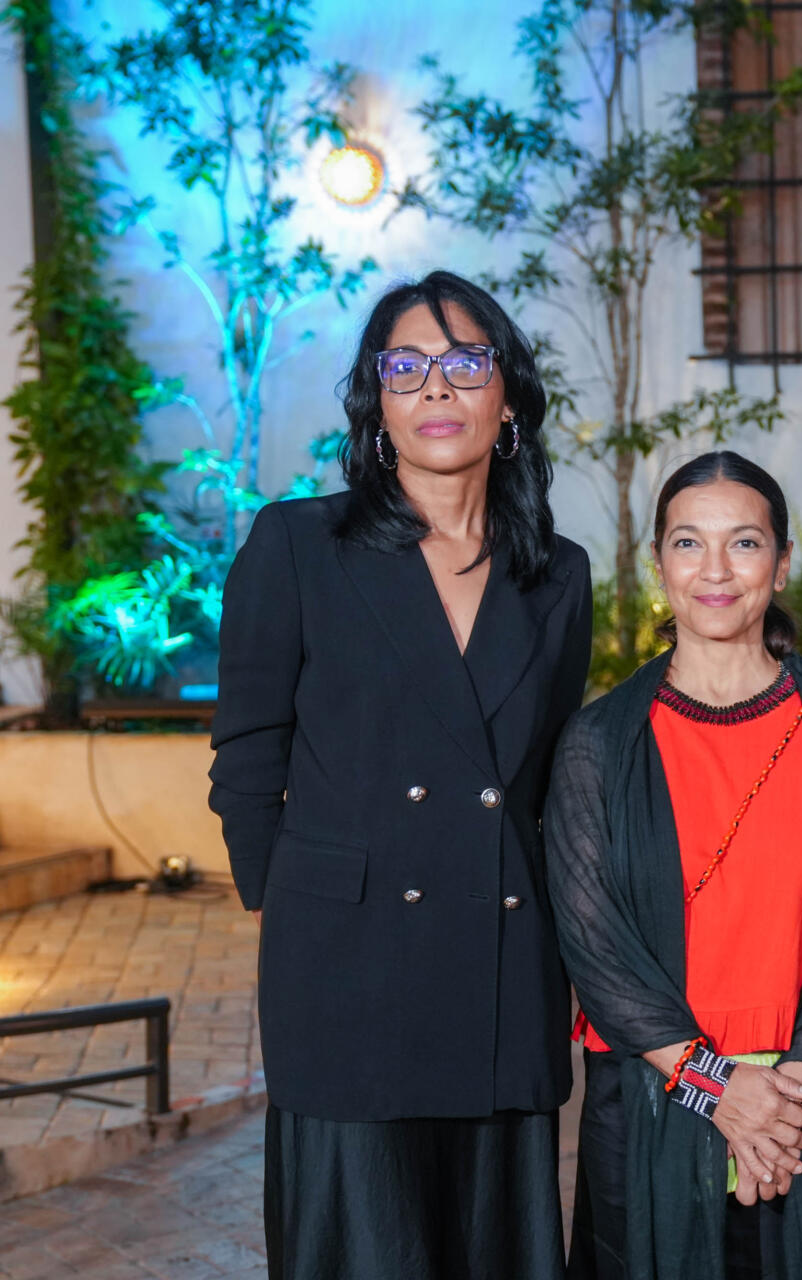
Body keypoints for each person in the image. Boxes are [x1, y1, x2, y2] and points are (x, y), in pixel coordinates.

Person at [208, 270, 593, 1278]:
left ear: (506, 396)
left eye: (465, 363)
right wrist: (292, 899)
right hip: (347, 967)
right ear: (376, 400)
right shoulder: (300, 545)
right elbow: (249, 753)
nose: (436, 388)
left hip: (503, 959)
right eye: (406, 366)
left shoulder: (558, 572)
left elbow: (546, 776)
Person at [546, 451, 802, 1280]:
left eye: (744, 544)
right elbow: (596, 948)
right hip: (653, 1096)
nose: (715, 570)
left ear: (780, 565)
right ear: (660, 566)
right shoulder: (598, 745)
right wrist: (718, 1087)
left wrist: (781, 1100)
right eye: (687, 543)